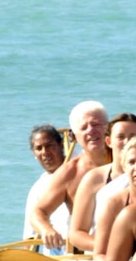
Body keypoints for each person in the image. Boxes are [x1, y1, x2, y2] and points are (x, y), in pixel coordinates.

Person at [29, 101, 110, 248]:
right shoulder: (69, 173)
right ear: (74, 136)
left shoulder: (129, 162)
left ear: (109, 127)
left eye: (96, 124)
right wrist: (47, 230)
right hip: (91, 252)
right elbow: (38, 212)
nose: (91, 130)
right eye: (83, 127)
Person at [67, 112, 136, 253]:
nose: (127, 142)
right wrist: (114, 248)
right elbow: (76, 234)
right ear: (109, 142)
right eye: (120, 137)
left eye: (134, 137)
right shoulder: (94, 179)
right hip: (102, 257)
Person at [23, 125, 70, 240]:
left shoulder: (79, 168)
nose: (45, 152)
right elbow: (30, 237)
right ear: (34, 153)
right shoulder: (37, 190)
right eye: (39, 148)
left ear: (61, 145)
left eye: (49, 146)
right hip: (57, 251)